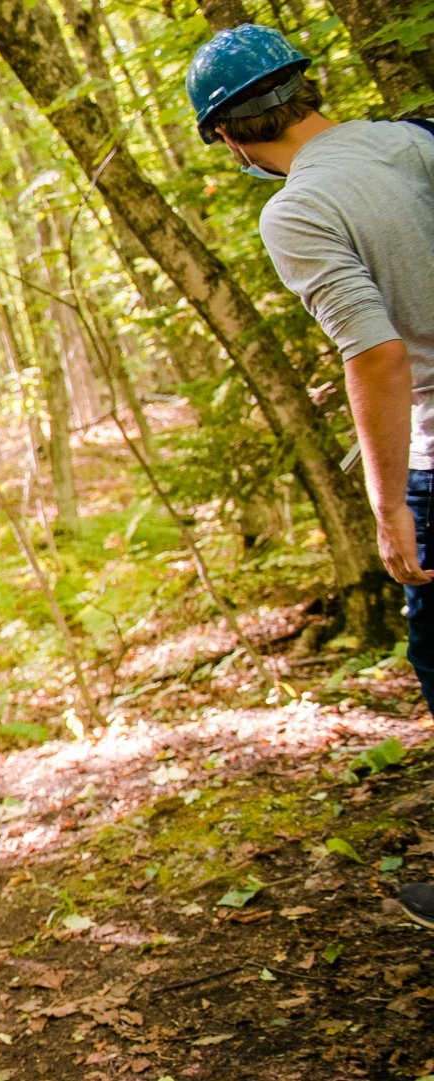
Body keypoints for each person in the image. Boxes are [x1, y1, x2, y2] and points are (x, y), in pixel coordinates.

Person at [189, 24, 434, 932]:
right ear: (309, 85)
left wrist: (387, 507)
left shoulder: (298, 208)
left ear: (228, 136)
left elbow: (375, 356)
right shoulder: (414, 139)